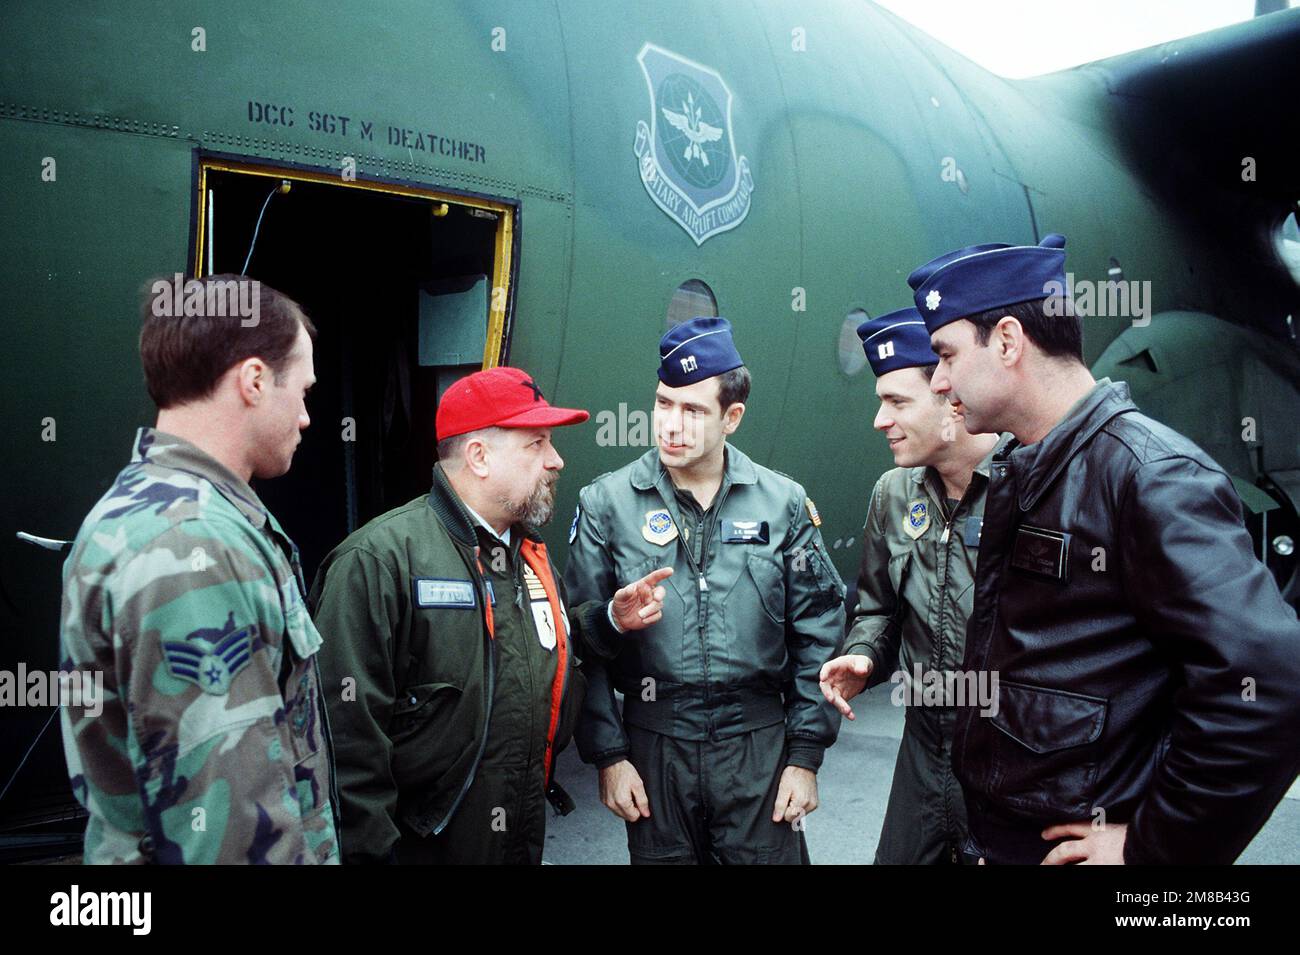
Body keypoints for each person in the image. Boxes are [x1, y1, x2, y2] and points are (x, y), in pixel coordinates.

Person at [910, 233, 1300, 864]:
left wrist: (1152, 848)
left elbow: (1268, 684)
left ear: (1008, 342)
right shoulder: (1025, 464)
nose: (940, 380)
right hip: (1010, 838)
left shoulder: (1150, 475)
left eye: (946, 355)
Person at [309, 366, 671, 864]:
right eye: (537, 444)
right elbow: (345, 749)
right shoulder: (377, 562)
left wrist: (608, 620)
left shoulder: (525, 554)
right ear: (478, 456)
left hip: (516, 836)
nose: (556, 460)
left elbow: (531, 651)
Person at [60, 274, 339, 864]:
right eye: (304, 391)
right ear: (255, 381)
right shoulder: (194, 545)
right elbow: (231, 830)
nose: (308, 417)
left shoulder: (139, 511)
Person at [565, 316, 845, 865]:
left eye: (692, 410)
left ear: (731, 417)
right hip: (655, 746)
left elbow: (819, 633)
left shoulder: (781, 502)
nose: (671, 424)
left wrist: (806, 756)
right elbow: (579, 643)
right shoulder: (607, 504)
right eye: (663, 403)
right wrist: (608, 755)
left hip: (758, 746)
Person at [820, 308, 999, 864]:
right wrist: (862, 656)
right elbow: (878, 608)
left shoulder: (1032, 486)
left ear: (952, 398)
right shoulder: (893, 494)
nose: (880, 419)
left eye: (897, 402)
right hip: (922, 749)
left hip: (1005, 754)